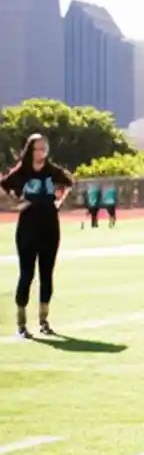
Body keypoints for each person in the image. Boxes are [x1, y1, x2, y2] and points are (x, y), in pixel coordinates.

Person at [1, 133, 74, 339]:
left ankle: (44, 320)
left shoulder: (52, 171)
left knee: (46, 274)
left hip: (49, 226)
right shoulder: (22, 172)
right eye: (38, 148)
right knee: (26, 274)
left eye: (45, 148)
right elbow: (4, 185)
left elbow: (69, 183)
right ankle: (21, 324)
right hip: (27, 227)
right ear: (30, 150)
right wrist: (16, 203)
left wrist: (59, 200)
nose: (42, 152)